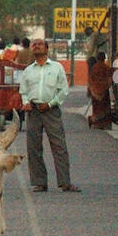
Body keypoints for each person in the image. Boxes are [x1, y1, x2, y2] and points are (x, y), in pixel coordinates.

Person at [19, 38, 79, 192]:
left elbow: (63, 90)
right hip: (33, 111)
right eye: (34, 44)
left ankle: (65, 182)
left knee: (59, 146)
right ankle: (39, 182)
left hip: (51, 110)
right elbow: (23, 91)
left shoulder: (57, 68)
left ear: (46, 49)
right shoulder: (28, 70)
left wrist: (50, 104)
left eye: (40, 44)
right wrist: (26, 101)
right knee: (33, 147)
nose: (36, 46)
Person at [87, 51, 113, 129]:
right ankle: (104, 124)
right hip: (104, 91)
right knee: (105, 108)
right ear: (104, 59)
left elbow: (90, 80)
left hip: (95, 92)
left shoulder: (93, 68)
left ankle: (94, 121)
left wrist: (91, 91)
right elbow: (110, 79)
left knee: (96, 109)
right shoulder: (107, 68)